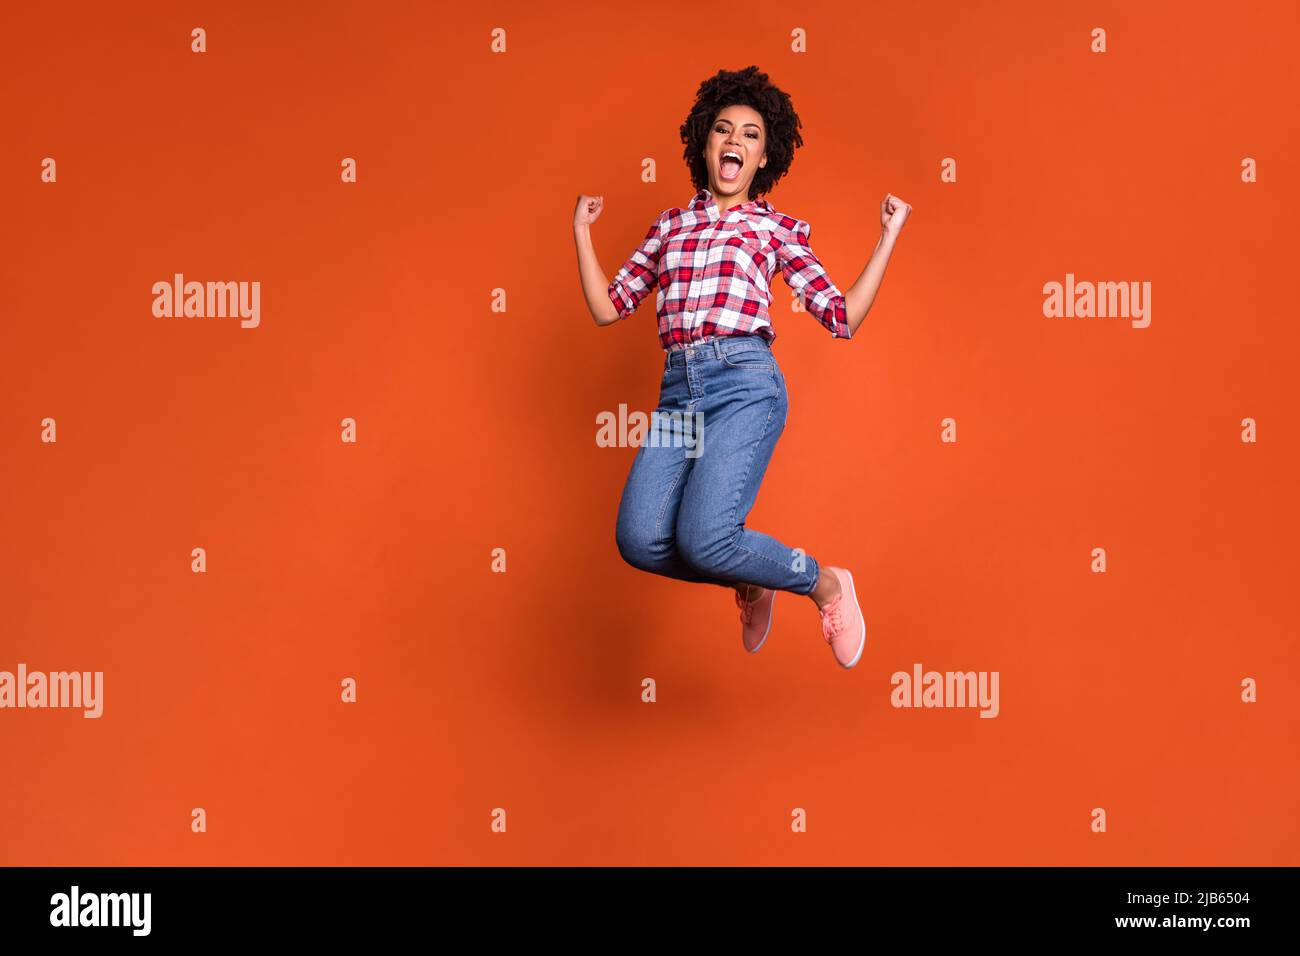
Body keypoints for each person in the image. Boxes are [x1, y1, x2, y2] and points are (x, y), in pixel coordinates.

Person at [572, 65, 911, 669]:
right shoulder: (670, 226)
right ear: (704, 144)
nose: (735, 141)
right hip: (679, 391)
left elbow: (842, 316)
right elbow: (608, 307)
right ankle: (750, 581)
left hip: (743, 382)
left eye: (751, 135)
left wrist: (887, 237)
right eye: (723, 130)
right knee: (639, 540)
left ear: (763, 158)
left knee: (705, 538)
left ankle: (824, 584)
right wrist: (581, 231)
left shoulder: (775, 229)